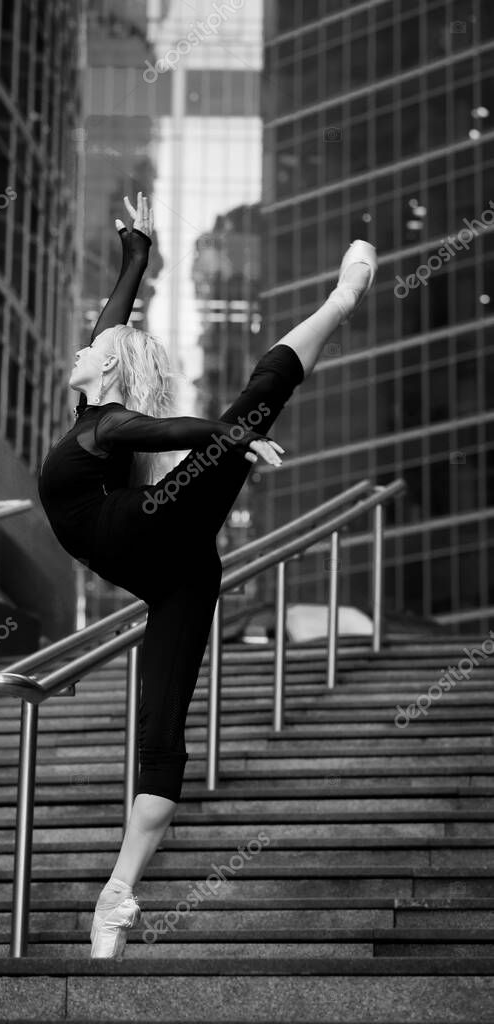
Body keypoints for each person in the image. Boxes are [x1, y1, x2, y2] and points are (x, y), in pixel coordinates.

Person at [37, 193, 377, 959]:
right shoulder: (94, 403)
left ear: (109, 369)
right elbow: (111, 329)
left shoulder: (102, 422)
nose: (84, 347)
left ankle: (343, 297)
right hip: (177, 568)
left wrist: (225, 436)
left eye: (96, 347)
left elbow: (149, 425)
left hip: (151, 525)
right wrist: (137, 252)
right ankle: (117, 897)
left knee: (254, 403)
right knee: (161, 733)